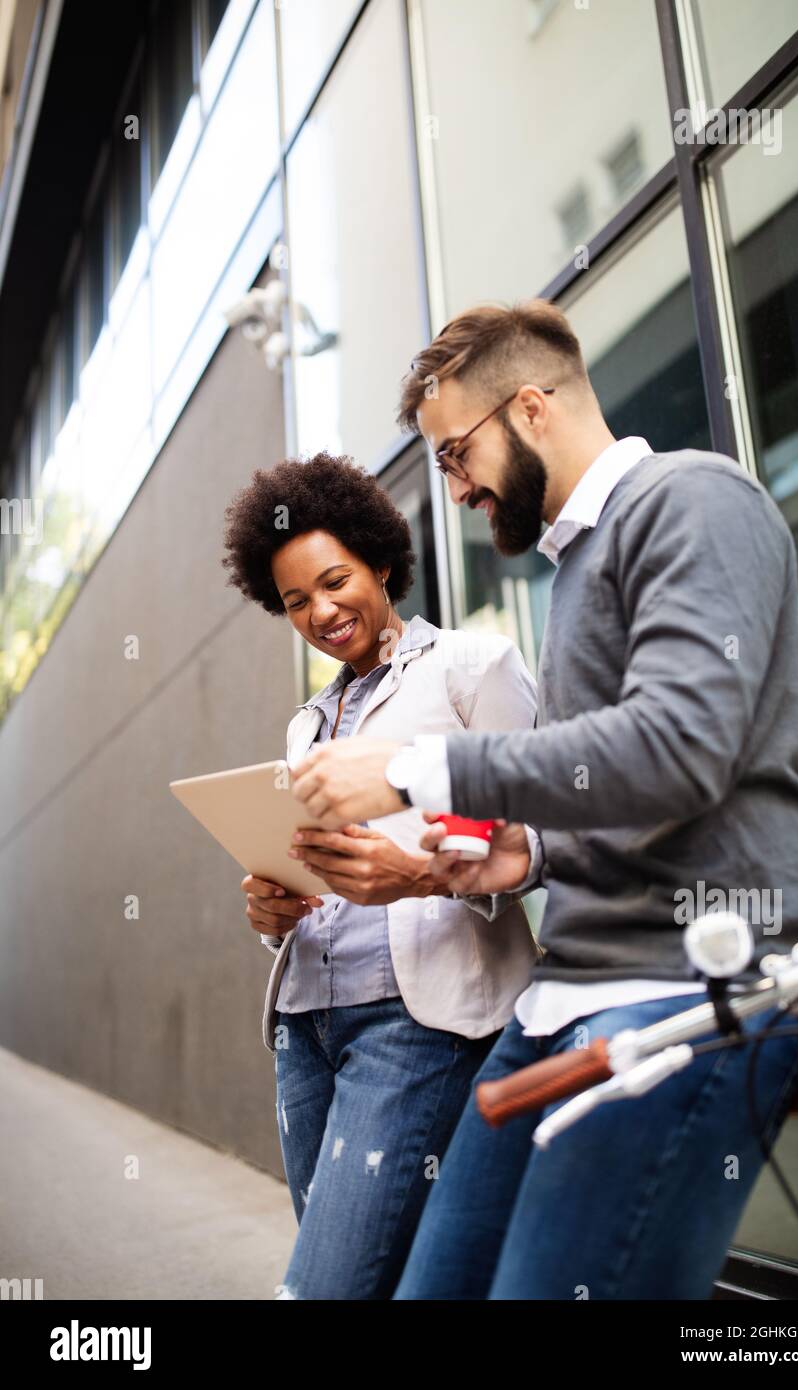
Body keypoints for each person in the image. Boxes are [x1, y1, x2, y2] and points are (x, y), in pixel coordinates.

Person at [289, 302, 798, 1299]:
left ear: (531, 407)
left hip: (686, 984)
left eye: (456, 455)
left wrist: (418, 767)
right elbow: (618, 783)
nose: (454, 489)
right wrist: (529, 854)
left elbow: (680, 747)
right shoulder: (575, 565)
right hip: (559, 1000)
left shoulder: (694, 500)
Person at [220, 451, 539, 1300]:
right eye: (294, 602)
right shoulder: (307, 725)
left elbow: (541, 831)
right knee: (385, 1276)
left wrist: (420, 869)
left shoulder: (472, 669)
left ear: (382, 562)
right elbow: (308, 874)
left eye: (334, 582)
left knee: (325, 1286)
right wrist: (272, 906)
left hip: (417, 1020)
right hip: (304, 1026)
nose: (321, 612)